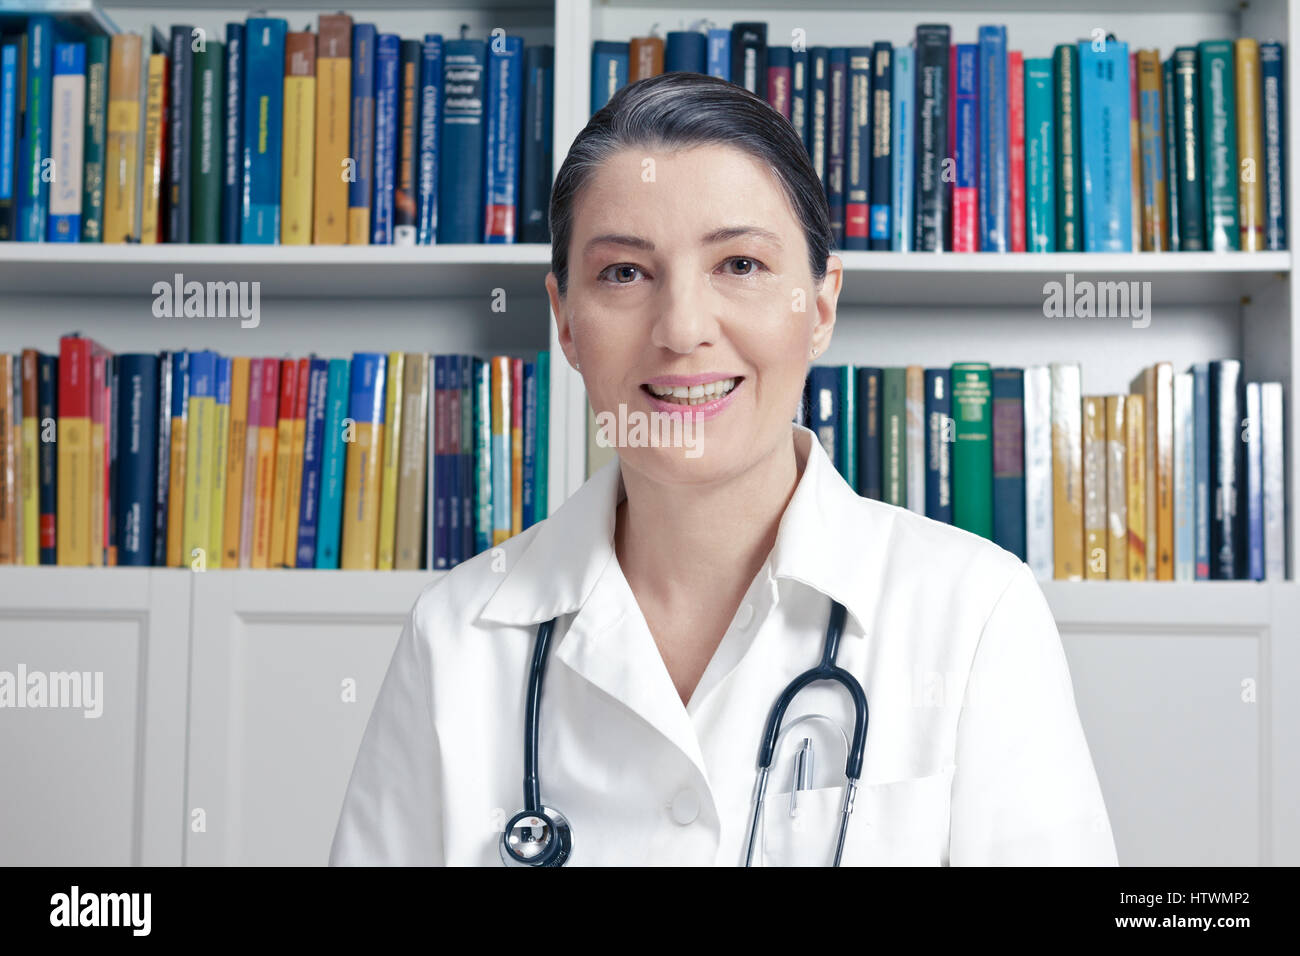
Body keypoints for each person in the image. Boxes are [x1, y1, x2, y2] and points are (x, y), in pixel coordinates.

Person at [328, 71, 1119, 866]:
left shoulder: (977, 612)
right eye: (624, 273)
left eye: (739, 265)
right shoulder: (457, 637)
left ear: (819, 305)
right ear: (565, 320)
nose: (682, 328)